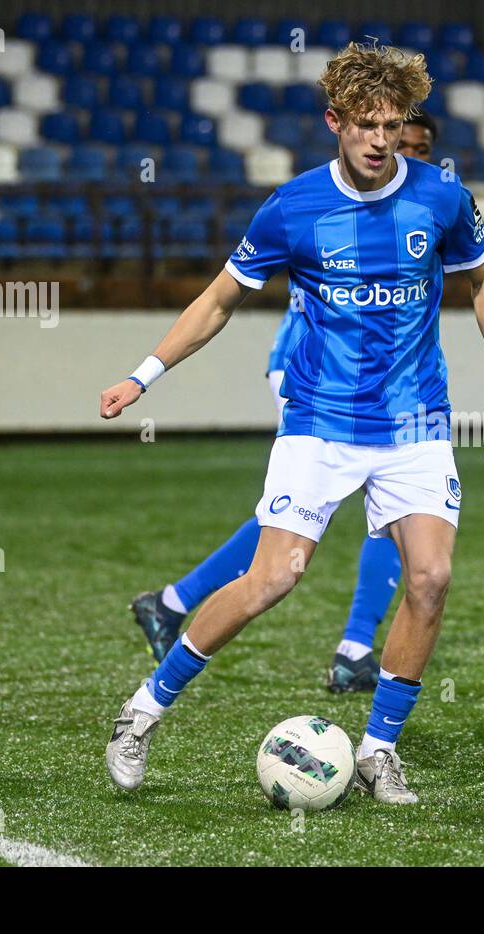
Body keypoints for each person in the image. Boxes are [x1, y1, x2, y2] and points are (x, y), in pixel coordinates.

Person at [100, 42, 484, 805]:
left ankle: (378, 752)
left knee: (430, 579)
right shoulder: (293, 207)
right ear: (334, 121)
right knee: (273, 579)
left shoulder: (440, 196)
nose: (379, 140)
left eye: (392, 125)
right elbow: (219, 300)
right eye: (364, 124)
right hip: (320, 423)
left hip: (415, 423)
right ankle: (140, 714)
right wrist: (145, 372)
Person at [128, 114, 441, 696]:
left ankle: (176, 604)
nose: (402, 151)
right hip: (317, 375)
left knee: (359, 512)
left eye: (416, 144)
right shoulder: (320, 202)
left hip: (378, 388)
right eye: (402, 140)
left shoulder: (421, 200)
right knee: (307, 518)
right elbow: (228, 295)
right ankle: (348, 647)